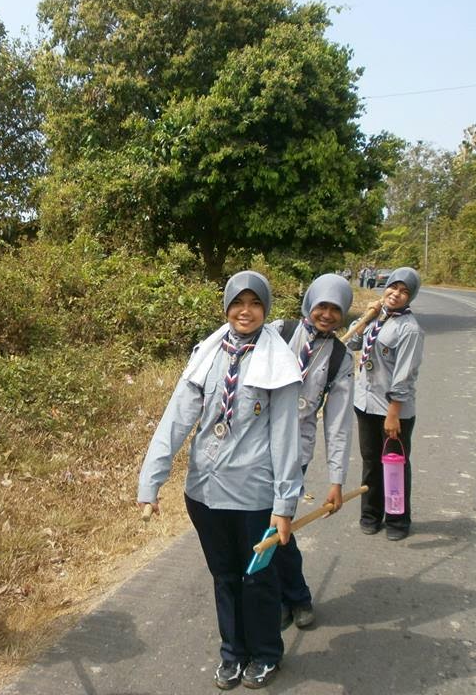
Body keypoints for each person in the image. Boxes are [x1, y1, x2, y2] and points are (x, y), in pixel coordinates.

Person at [137, 271, 303, 691]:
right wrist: (151, 481)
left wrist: (285, 505)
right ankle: (233, 653)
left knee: (257, 579)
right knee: (224, 576)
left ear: (265, 309)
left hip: (253, 496)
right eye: (237, 303)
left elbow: (285, 438)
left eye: (254, 304)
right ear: (226, 306)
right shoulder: (207, 355)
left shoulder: (278, 362)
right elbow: (175, 420)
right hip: (204, 494)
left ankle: (265, 654)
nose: (244, 312)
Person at [270, 273, 354, 630]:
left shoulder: (340, 358)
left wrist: (336, 480)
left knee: (278, 523)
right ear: (310, 303)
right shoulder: (279, 332)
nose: (328, 314)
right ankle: (286, 598)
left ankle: (296, 598)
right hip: (254, 446)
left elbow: (337, 423)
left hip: (295, 454)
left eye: (336, 309)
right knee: (264, 526)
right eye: (322, 305)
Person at [345, 267, 423, 541]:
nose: (397, 294)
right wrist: (366, 319)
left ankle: (398, 521)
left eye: (404, 291)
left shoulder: (409, 330)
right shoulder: (379, 317)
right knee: (370, 463)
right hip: (366, 404)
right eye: (394, 287)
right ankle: (370, 515)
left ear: (410, 297)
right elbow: (353, 344)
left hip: (393, 411)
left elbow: (405, 377)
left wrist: (394, 415)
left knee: (395, 465)